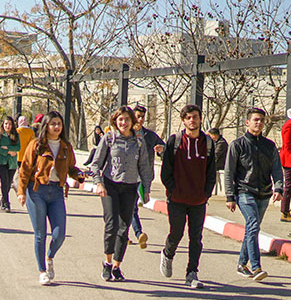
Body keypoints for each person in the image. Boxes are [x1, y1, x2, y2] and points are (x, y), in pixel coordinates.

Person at [17, 111, 84, 285]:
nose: (57, 126)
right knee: (40, 234)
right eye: (53, 123)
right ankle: (42, 271)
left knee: (59, 234)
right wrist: (21, 191)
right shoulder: (36, 145)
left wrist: (79, 176)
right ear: (46, 126)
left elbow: (71, 168)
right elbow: (25, 169)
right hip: (36, 190)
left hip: (56, 192)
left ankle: (49, 256)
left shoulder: (66, 146)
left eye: (59, 124)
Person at [91, 106, 154, 282]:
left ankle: (117, 266)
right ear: (115, 121)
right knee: (111, 224)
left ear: (132, 122)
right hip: (110, 186)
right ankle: (107, 263)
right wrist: (99, 183)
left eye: (127, 119)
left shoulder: (139, 142)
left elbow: (144, 167)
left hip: (130, 187)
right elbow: (96, 164)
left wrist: (146, 189)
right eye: (120, 120)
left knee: (124, 227)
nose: (123, 123)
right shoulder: (109, 138)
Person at [158, 104, 216, 289]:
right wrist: (173, 190)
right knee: (176, 233)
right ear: (183, 120)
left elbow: (211, 171)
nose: (192, 120)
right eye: (189, 117)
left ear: (200, 119)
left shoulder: (207, 143)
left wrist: (206, 193)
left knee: (196, 237)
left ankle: (192, 273)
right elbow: (165, 171)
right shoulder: (175, 141)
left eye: (195, 117)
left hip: (198, 200)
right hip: (177, 199)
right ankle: (168, 253)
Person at [225, 107, 284, 282]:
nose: (259, 123)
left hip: (264, 193)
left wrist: (279, 188)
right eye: (255, 120)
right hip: (244, 192)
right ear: (247, 122)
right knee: (252, 224)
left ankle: (242, 264)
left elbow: (276, 169)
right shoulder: (237, 145)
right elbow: (229, 172)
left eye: (261, 120)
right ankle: (256, 266)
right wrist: (229, 196)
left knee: (253, 228)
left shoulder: (269, 145)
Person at [130, 104, 164, 248]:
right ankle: (137, 234)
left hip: (143, 176)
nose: (141, 119)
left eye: (143, 117)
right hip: (127, 176)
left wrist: (161, 150)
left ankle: (132, 234)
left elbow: (164, 147)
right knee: (130, 207)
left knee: (131, 206)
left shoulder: (149, 135)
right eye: (138, 116)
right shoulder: (126, 134)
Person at [0, 116, 20, 212]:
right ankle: (6, 203)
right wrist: (8, 151)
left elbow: (18, 147)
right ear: (3, 125)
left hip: (12, 163)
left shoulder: (16, 135)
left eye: (9, 124)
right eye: (6, 124)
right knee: (4, 181)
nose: (7, 126)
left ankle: (3, 199)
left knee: (8, 183)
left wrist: (7, 148)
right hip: (1, 162)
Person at [208, 127, 228, 195]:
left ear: (214, 135)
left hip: (220, 165)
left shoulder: (221, 143)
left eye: (210, 135)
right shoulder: (215, 142)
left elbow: (216, 155)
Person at [280, 111, 291, 222]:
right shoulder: (289, 125)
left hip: (288, 159)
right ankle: (285, 211)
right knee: (288, 186)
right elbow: (287, 144)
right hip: (289, 160)